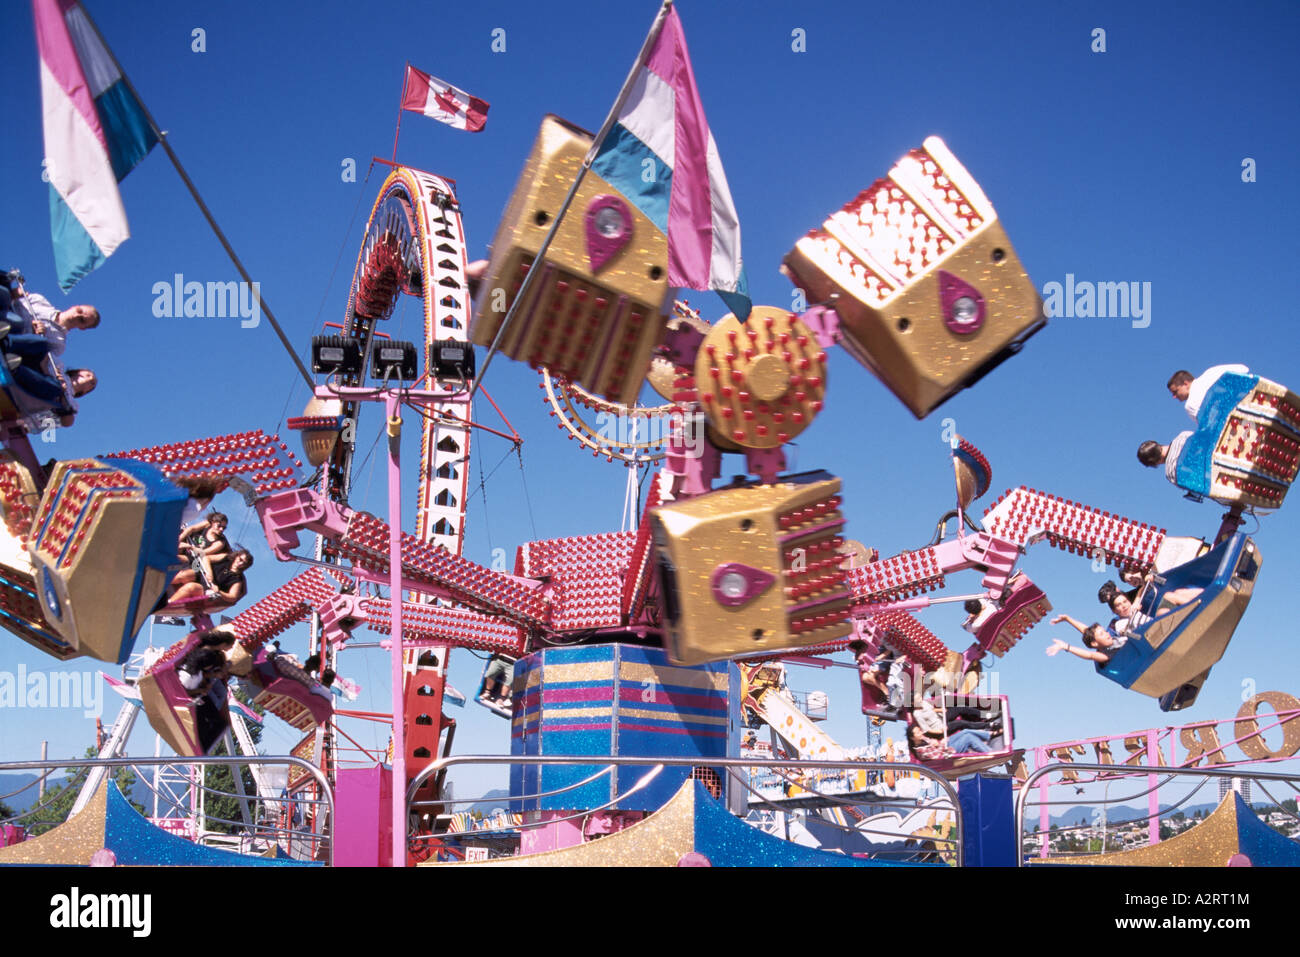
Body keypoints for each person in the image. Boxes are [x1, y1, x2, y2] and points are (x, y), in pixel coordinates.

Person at [1168, 365, 1250, 421]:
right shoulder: (1210, 372)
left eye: (1175, 392)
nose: (1174, 396)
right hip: (1251, 403)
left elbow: (1208, 426)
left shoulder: (1190, 405)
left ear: (1185, 383)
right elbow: (1244, 368)